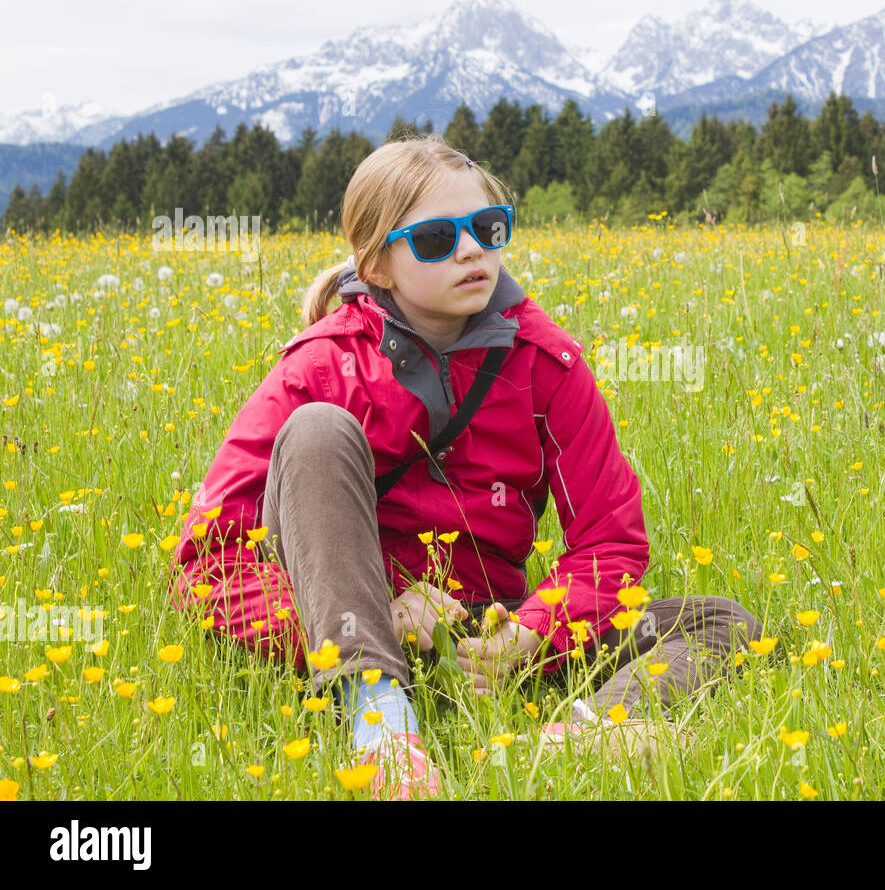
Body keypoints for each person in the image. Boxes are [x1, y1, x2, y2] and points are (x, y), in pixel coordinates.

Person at [167, 133, 764, 800]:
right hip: (351, 621)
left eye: (487, 226)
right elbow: (207, 564)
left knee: (719, 621)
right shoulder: (318, 367)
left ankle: (580, 736)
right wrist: (377, 619)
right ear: (378, 263)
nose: (472, 249)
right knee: (315, 433)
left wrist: (530, 634)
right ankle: (383, 728)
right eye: (436, 239)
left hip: (486, 629)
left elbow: (609, 542)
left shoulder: (547, 363)